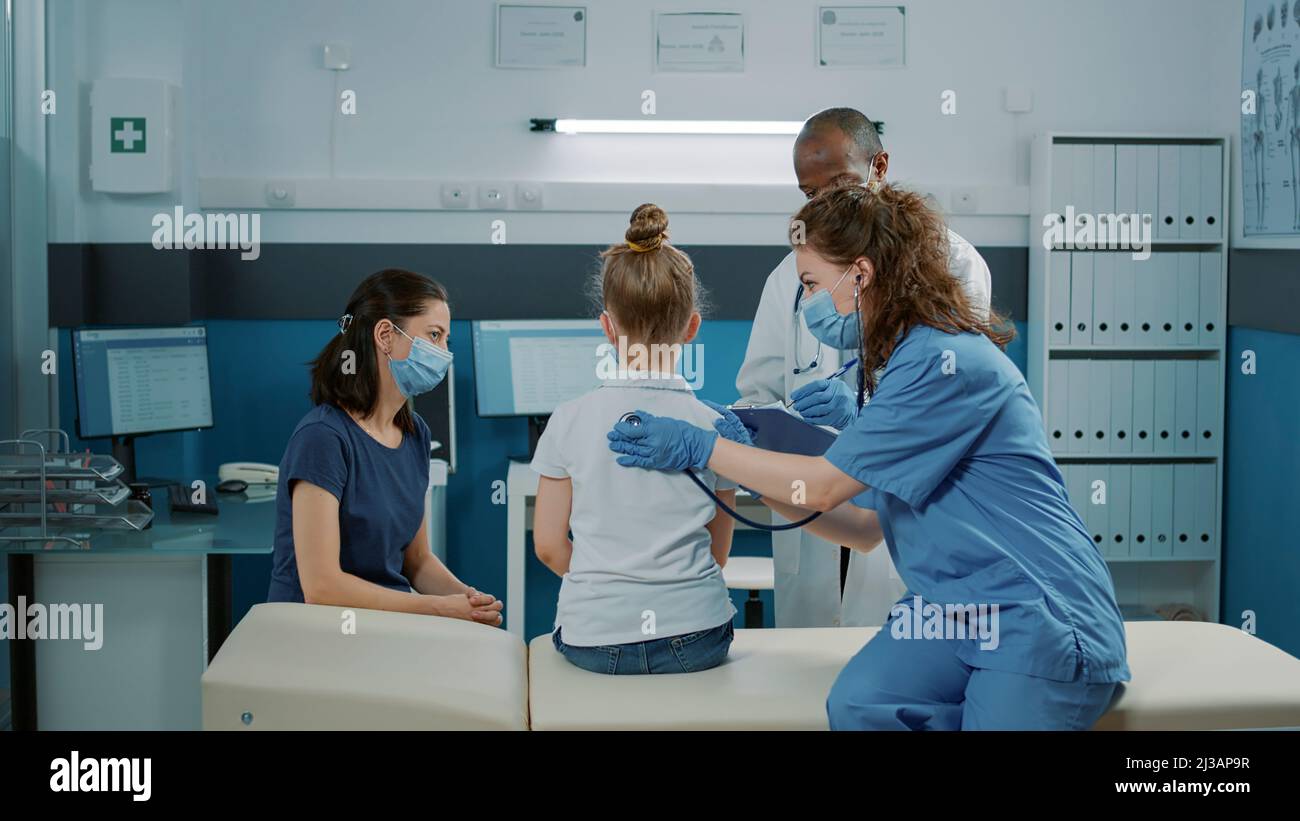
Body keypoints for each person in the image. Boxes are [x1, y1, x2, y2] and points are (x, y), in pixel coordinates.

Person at [607, 185, 1130, 729]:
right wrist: (759, 468)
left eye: (811, 284)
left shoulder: (943, 359)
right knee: (858, 704)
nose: (809, 301)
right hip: (950, 613)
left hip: (1033, 613)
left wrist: (710, 447)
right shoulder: (905, 361)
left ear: (860, 274)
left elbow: (826, 486)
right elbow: (861, 527)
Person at [736, 107, 991, 628]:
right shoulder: (790, 275)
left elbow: (949, 407)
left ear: (880, 167)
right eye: (810, 194)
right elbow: (759, 390)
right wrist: (745, 429)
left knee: (898, 692)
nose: (827, 203)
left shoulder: (953, 266)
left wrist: (863, 417)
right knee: (807, 689)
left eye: (840, 184)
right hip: (819, 518)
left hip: (902, 513)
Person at [531, 204, 738, 675]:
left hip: (593, 639)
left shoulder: (567, 420)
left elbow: (547, 545)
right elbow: (718, 555)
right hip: (698, 637)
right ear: (692, 327)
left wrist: (605, 587)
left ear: (607, 327)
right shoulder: (718, 429)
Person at [267, 268, 504, 626]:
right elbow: (321, 588)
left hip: (382, 624)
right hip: (318, 631)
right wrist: (440, 610)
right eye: (434, 336)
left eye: (446, 341)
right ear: (385, 335)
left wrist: (466, 599)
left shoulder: (414, 433)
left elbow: (418, 560)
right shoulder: (322, 438)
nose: (444, 353)